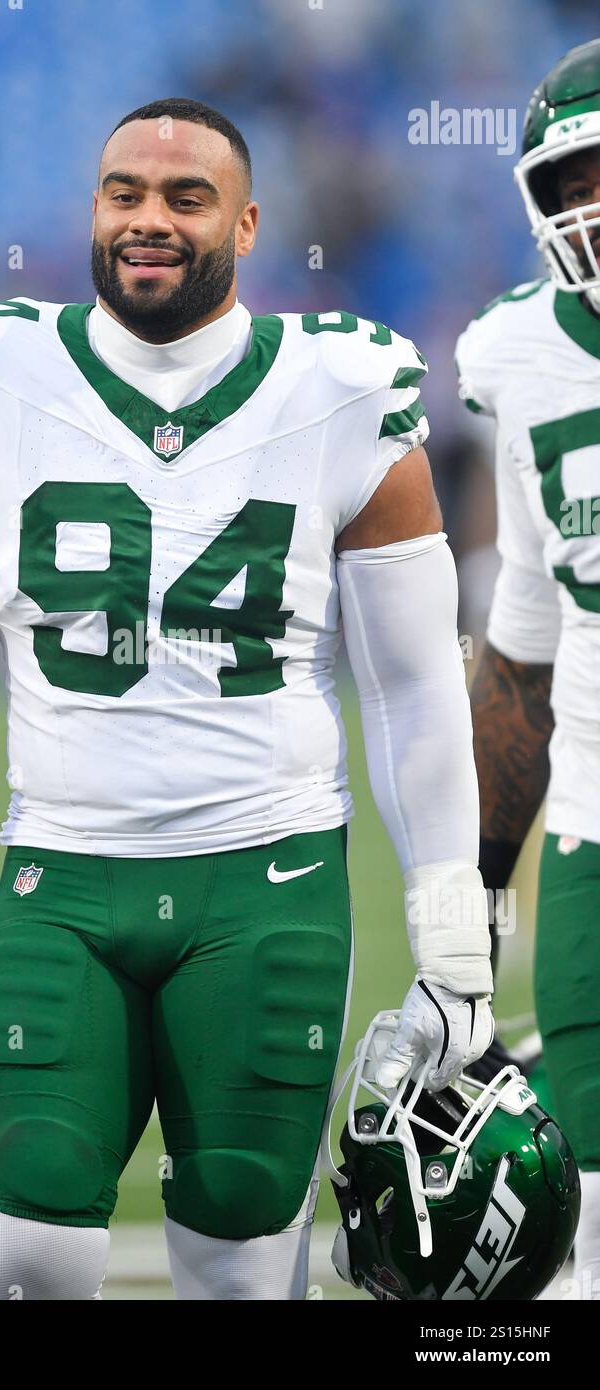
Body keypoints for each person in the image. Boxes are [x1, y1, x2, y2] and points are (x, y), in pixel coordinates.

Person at [0, 97, 492, 1301]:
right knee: (22, 1264)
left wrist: (449, 927)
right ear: (91, 209)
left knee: (237, 1271)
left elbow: (409, 679)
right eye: (124, 192)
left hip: (267, 881)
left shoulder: (346, 386)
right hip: (62, 876)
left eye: (185, 199)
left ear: (243, 223)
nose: (149, 219)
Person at [456, 40, 600, 1300]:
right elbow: (521, 658)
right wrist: (466, 902)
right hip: (595, 847)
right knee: (588, 1215)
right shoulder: (515, 358)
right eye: (576, 178)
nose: (596, 206)